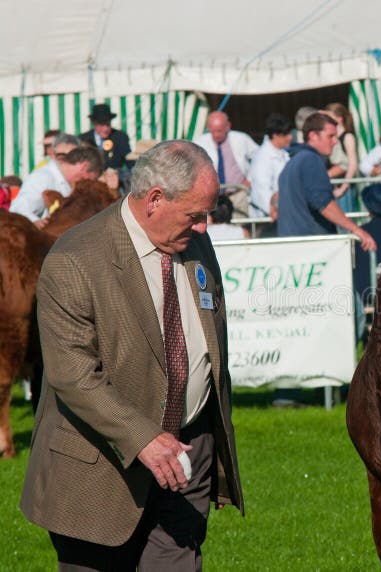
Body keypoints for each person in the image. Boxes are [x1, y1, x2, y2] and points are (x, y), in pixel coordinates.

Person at [20, 140, 244, 570]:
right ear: (155, 199)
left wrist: (206, 445)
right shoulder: (75, 258)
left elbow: (210, 344)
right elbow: (73, 374)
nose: (203, 228)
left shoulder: (195, 245)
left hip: (186, 456)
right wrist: (143, 437)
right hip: (99, 466)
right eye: (195, 215)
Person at [278, 112, 376, 251]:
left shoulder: (293, 161)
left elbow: (279, 197)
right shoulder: (310, 159)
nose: (335, 141)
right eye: (330, 136)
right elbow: (323, 203)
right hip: (311, 247)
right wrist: (356, 229)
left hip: (293, 244)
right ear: (313, 136)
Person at [10, 146, 104, 223]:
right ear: (84, 166)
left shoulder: (65, 181)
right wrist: (38, 223)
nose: (89, 183)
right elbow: (18, 209)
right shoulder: (44, 177)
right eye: (91, 179)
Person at [193, 110, 258, 218]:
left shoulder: (241, 139)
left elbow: (258, 157)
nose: (215, 135)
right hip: (213, 197)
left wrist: (250, 179)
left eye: (219, 131)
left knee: (240, 225)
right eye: (212, 131)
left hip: (237, 193)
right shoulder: (200, 143)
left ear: (228, 127)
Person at [248, 113, 292, 218]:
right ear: (275, 135)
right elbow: (262, 190)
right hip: (269, 217)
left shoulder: (283, 153)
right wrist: (274, 210)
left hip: (283, 212)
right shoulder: (262, 158)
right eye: (286, 134)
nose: (290, 137)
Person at [79, 103, 134, 171]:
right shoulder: (84, 139)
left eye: (108, 124)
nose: (105, 129)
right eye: (102, 124)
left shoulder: (120, 137)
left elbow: (130, 162)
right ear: (94, 123)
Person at [324, 102, 359, 202]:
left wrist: (343, 188)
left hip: (344, 188)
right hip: (334, 186)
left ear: (339, 119)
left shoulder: (348, 137)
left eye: (329, 117)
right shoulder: (334, 137)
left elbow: (352, 165)